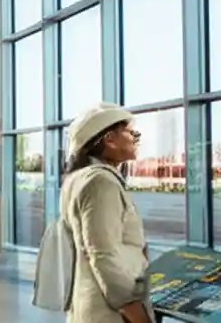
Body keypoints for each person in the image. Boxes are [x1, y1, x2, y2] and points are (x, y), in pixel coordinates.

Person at [60, 104, 152, 323]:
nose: (136, 138)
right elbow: (103, 254)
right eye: (131, 133)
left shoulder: (79, 179)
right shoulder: (101, 183)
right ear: (109, 139)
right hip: (109, 313)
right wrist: (137, 314)